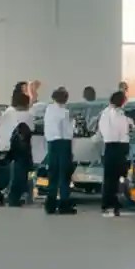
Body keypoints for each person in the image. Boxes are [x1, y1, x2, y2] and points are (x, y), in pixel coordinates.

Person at [97, 91, 132, 217]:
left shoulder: (120, 113)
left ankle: (115, 202)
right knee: (110, 177)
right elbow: (109, 131)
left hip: (119, 146)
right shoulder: (108, 113)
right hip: (113, 145)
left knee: (117, 177)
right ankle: (107, 203)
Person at [0, 89, 33, 205]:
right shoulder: (27, 115)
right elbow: (30, 130)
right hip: (19, 149)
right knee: (19, 174)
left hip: (2, 147)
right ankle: (14, 198)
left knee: (2, 175)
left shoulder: (7, 113)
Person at [43, 87, 76, 215]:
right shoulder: (64, 112)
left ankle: (50, 204)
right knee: (64, 175)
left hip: (52, 143)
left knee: (53, 174)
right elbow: (68, 131)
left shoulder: (49, 110)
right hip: (63, 143)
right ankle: (64, 203)